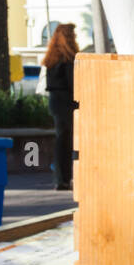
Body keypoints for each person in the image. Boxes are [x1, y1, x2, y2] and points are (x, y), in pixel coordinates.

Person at [43, 23, 78, 191]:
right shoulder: (69, 59)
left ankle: (60, 179)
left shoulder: (51, 59)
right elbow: (74, 84)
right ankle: (66, 177)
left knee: (61, 140)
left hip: (55, 101)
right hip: (67, 101)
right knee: (68, 140)